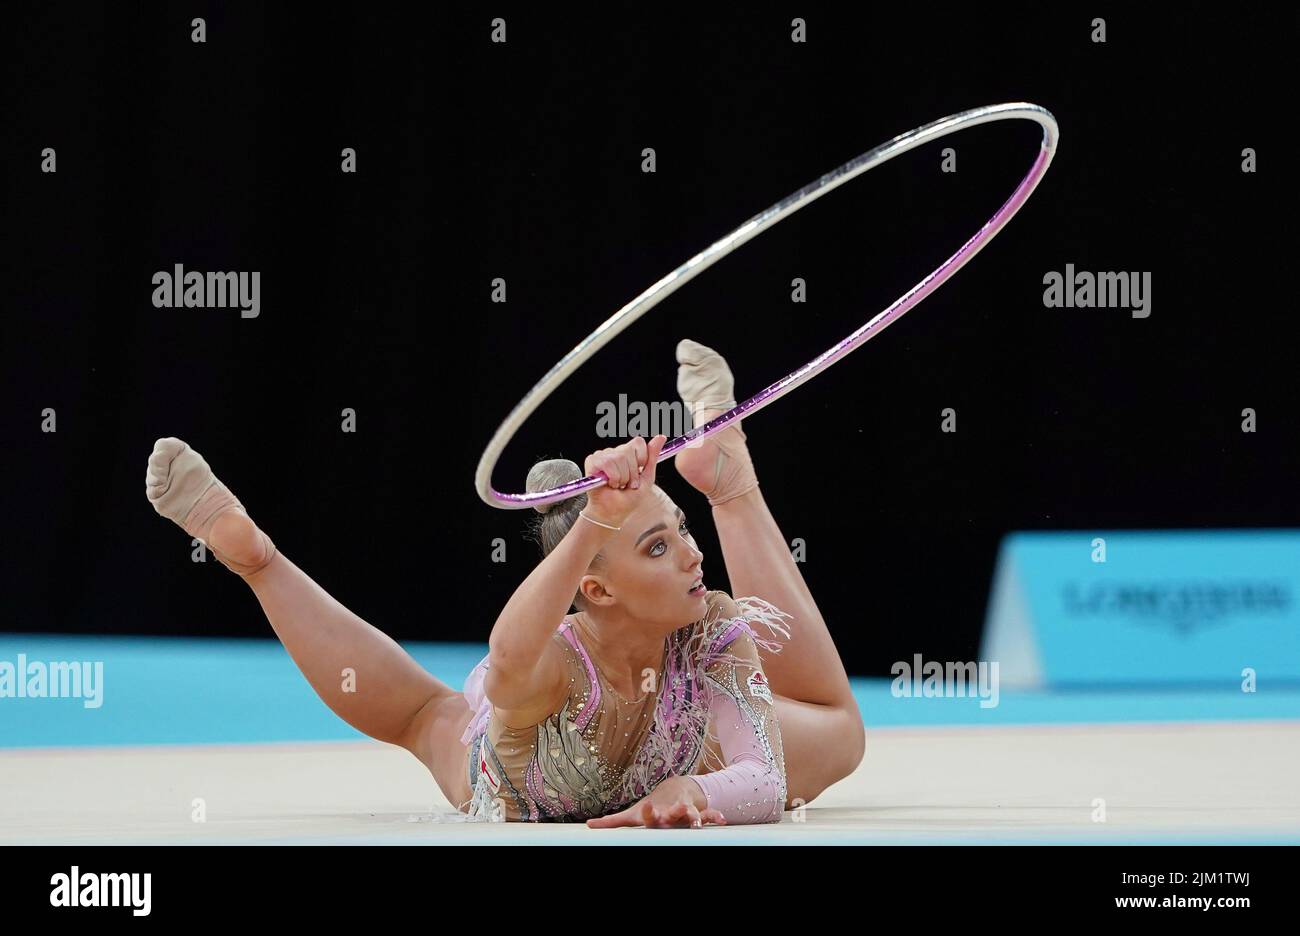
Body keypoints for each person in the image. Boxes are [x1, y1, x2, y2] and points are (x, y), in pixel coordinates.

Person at [144, 339, 865, 828]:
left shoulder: (710, 632)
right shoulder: (555, 665)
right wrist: (593, 526)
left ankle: (728, 476)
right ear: (599, 590)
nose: (688, 555)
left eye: (679, 528)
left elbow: (765, 777)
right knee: (424, 718)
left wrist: (692, 791)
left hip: (671, 747)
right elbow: (511, 650)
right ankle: (257, 560)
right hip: (527, 780)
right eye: (656, 545)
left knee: (840, 735)